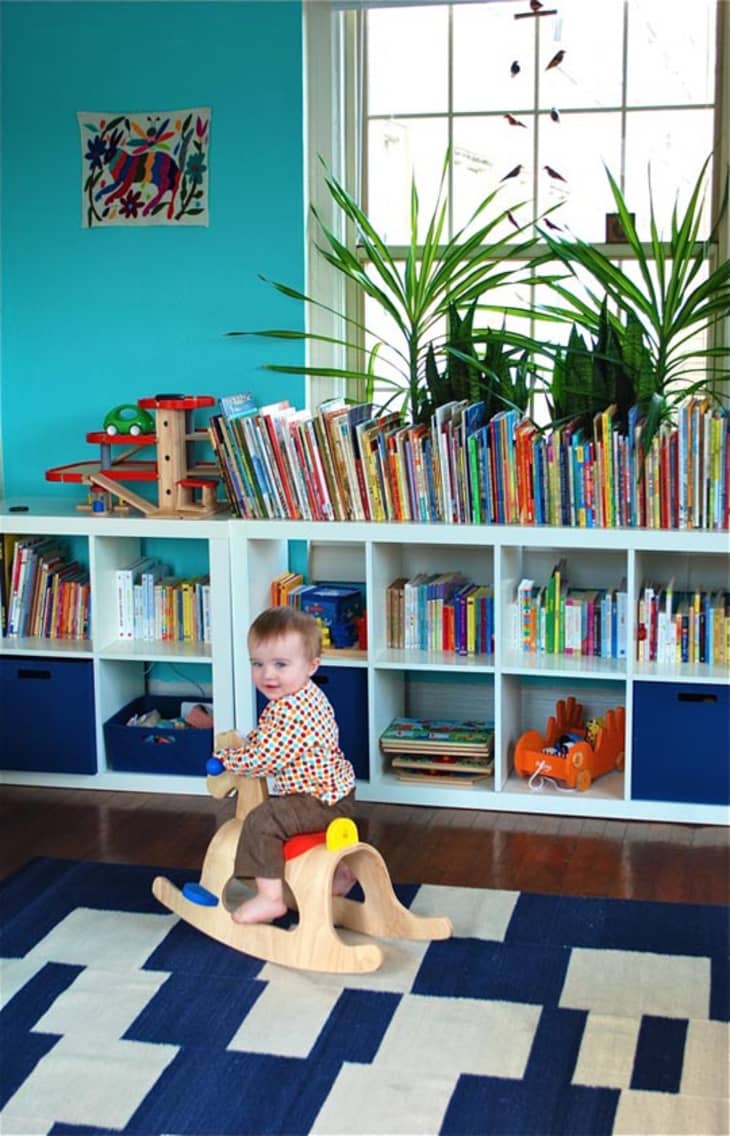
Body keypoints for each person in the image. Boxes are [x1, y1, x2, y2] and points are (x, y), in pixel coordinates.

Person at [212, 606, 357, 925]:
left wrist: (228, 759)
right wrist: (249, 741)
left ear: (311, 665)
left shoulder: (293, 711)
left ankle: (270, 898)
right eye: (258, 664)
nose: (268, 675)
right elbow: (268, 738)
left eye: (280, 664)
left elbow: (266, 759)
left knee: (262, 821)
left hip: (320, 801)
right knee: (277, 812)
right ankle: (340, 877)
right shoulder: (300, 695)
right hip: (330, 793)